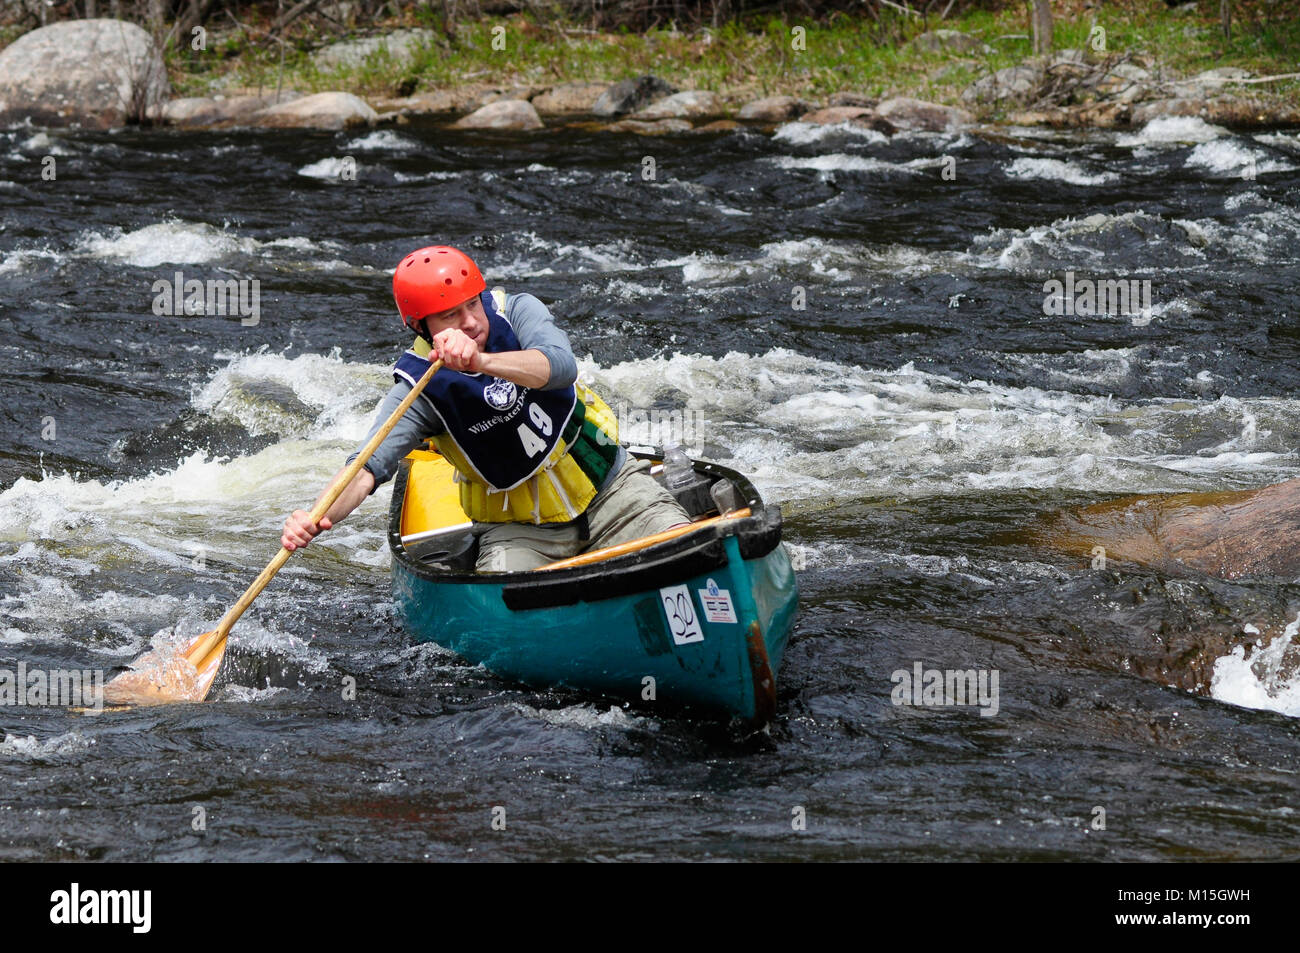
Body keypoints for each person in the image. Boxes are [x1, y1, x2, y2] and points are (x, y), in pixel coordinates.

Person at [281, 245, 690, 572]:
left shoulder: (517, 311)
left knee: (687, 550)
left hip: (611, 489)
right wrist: (315, 519)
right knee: (507, 597)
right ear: (422, 327)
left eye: (472, 305)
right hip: (519, 530)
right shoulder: (418, 387)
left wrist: (481, 362)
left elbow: (561, 368)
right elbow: (366, 469)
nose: (471, 322)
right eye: (450, 316)